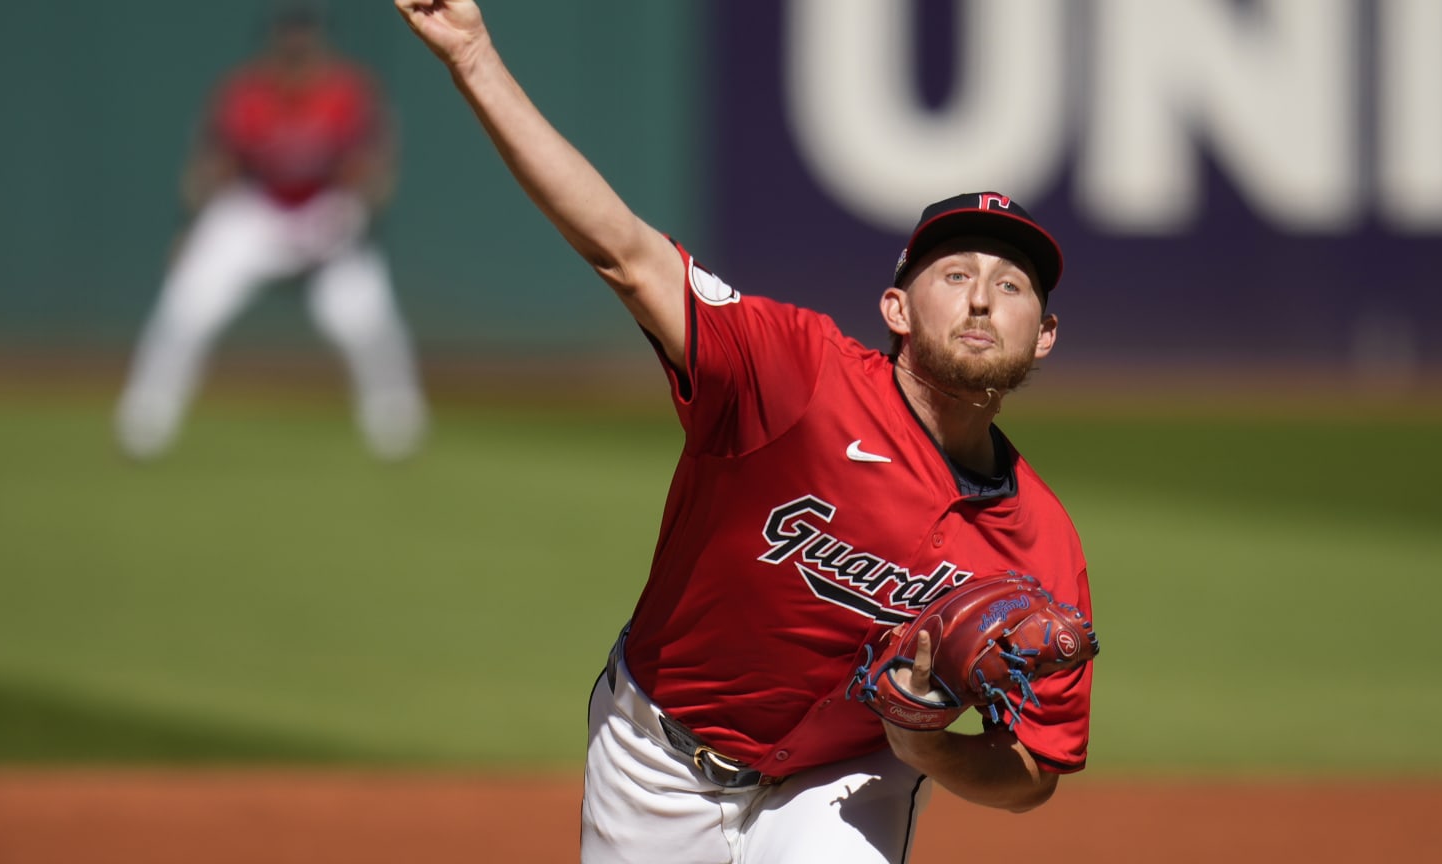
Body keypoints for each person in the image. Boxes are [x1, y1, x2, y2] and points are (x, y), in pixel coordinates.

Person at [396, 2, 1095, 862]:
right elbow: (626, 253)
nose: (983, 296)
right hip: (655, 755)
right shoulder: (795, 376)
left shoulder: (1044, 545)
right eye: (954, 274)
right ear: (897, 310)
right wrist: (473, 56)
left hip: (849, 777)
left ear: (1046, 335)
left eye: (1013, 285)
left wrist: (925, 745)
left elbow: (1036, 767)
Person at [116, 3, 427, 461]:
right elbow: (212, 166)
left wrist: (352, 211)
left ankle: (397, 429)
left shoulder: (346, 92)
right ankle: (143, 425)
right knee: (185, 308)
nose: (297, 45)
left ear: (319, 40)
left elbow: (375, 169)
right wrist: (191, 228)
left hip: (325, 210)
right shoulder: (246, 94)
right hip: (255, 212)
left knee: (368, 322)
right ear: (276, 40)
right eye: (289, 35)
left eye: (305, 35)